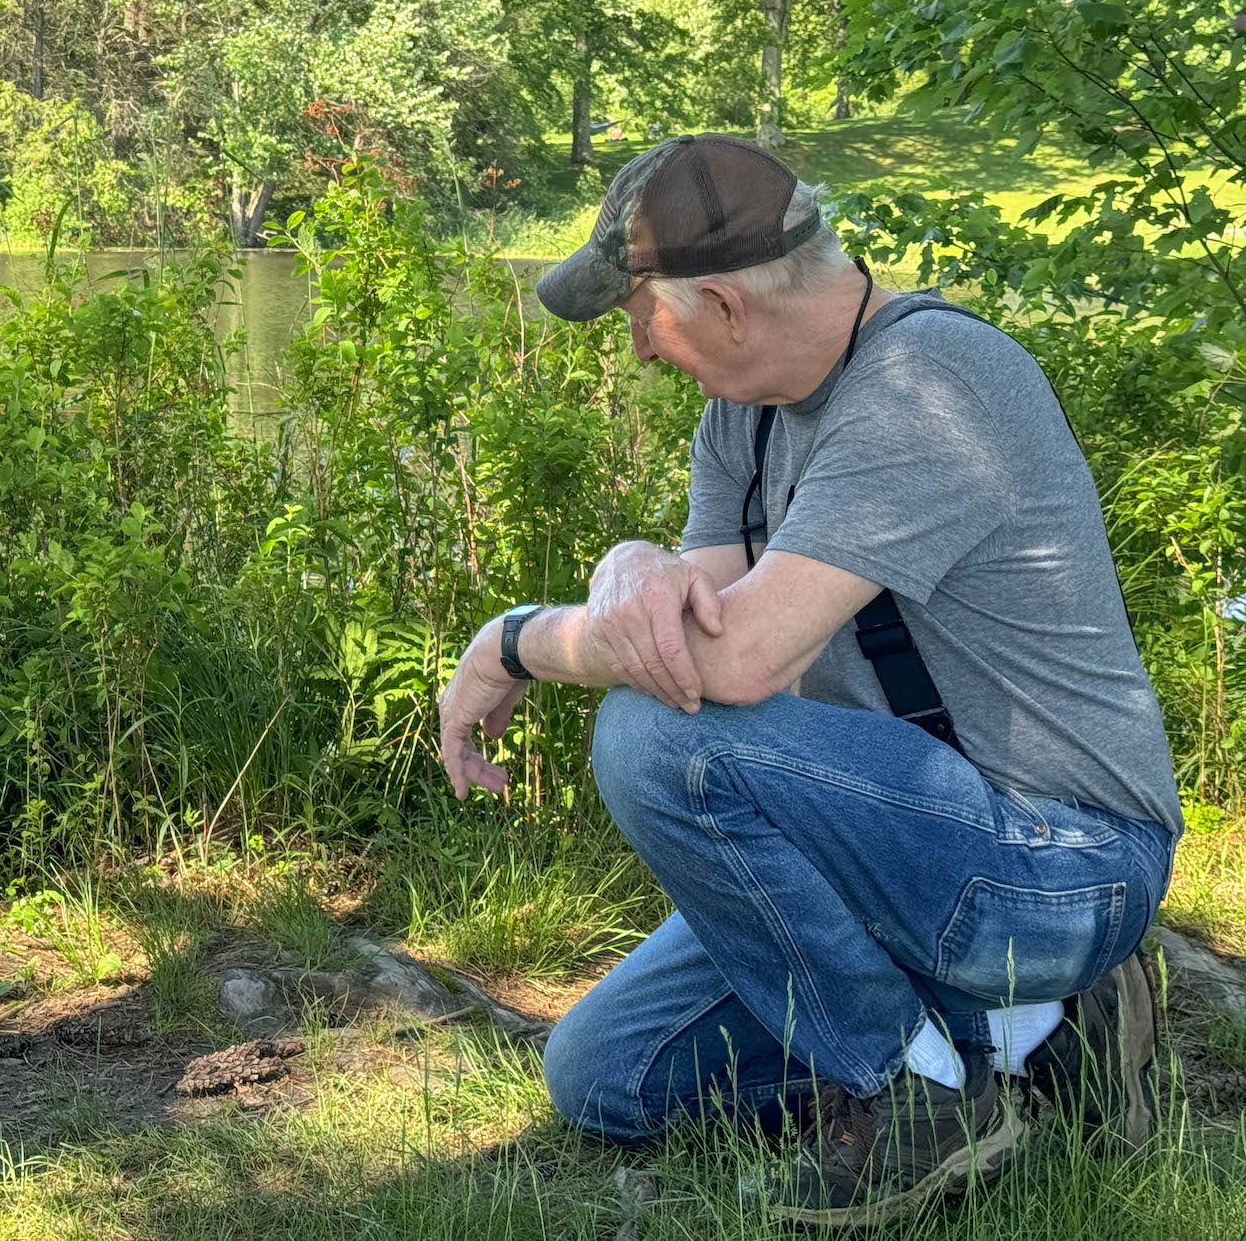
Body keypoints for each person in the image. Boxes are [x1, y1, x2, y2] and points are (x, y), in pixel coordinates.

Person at [437, 134, 1180, 1228]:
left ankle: (924, 1087)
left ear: (727, 308)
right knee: (604, 1078)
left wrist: (507, 643)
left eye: (642, 315)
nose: (638, 350)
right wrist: (624, 568)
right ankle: (1008, 1040)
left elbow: (727, 664)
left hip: (1056, 866)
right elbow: (684, 606)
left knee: (654, 740)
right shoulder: (744, 409)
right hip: (892, 846)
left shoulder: (932, 388)